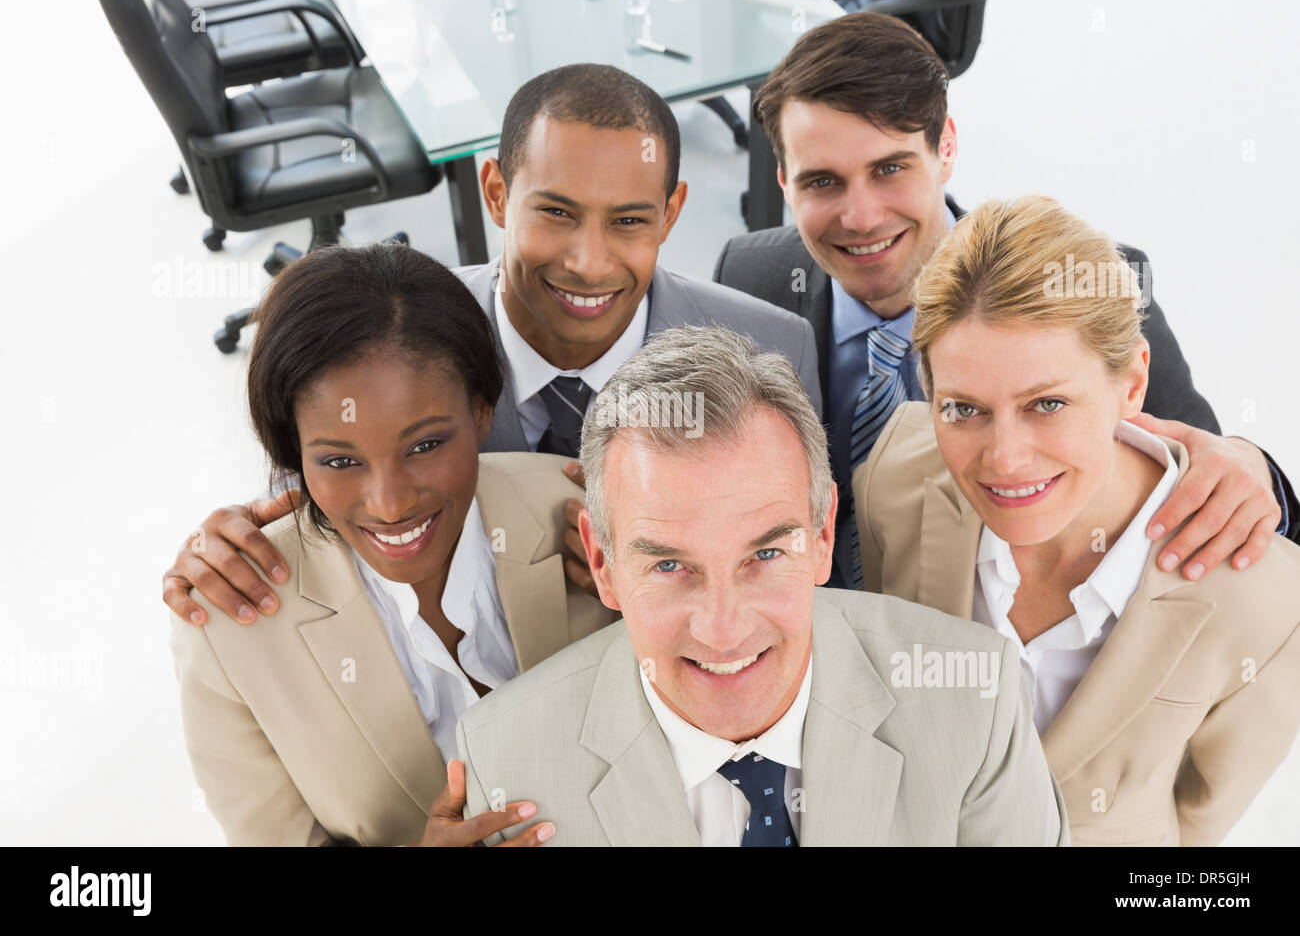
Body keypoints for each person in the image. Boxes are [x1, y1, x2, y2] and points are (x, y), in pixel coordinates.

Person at [162, 62, 820, 624]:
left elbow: (804, 578)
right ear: (496, 194)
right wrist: (239, 544)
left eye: (628, 221)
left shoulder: (772, 350)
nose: (589, 263)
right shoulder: (383, 339)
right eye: (556, 213)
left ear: (671, 213)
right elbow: (316, 522)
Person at [714, 11, 1298, 590]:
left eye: (890, 168)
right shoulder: (749, 277)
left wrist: (1253, 465)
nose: (861, 217)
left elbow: (1205, 478)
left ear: (945, 147)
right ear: (784, 183)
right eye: (822, 181)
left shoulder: (1089, 283)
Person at [454, 326, 1068, 846]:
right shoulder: (507, 758)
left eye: (766, 554)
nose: (724, 631)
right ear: (602, 561)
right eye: (669, 567)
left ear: (824, 533)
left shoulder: (975, 703)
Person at [853, 197, 1300, 845]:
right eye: (964, 409)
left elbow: (1202, 817)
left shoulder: (1268, 606)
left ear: (1133, 382)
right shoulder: (895, 475)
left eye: (1048, 403)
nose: (1004, 460)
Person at [170, 243, 617, 845]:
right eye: (339, 460)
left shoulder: (586, 520)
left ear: (483, 411)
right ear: (292, 455)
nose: (390, 503)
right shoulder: (230, 630)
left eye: (425, 445)